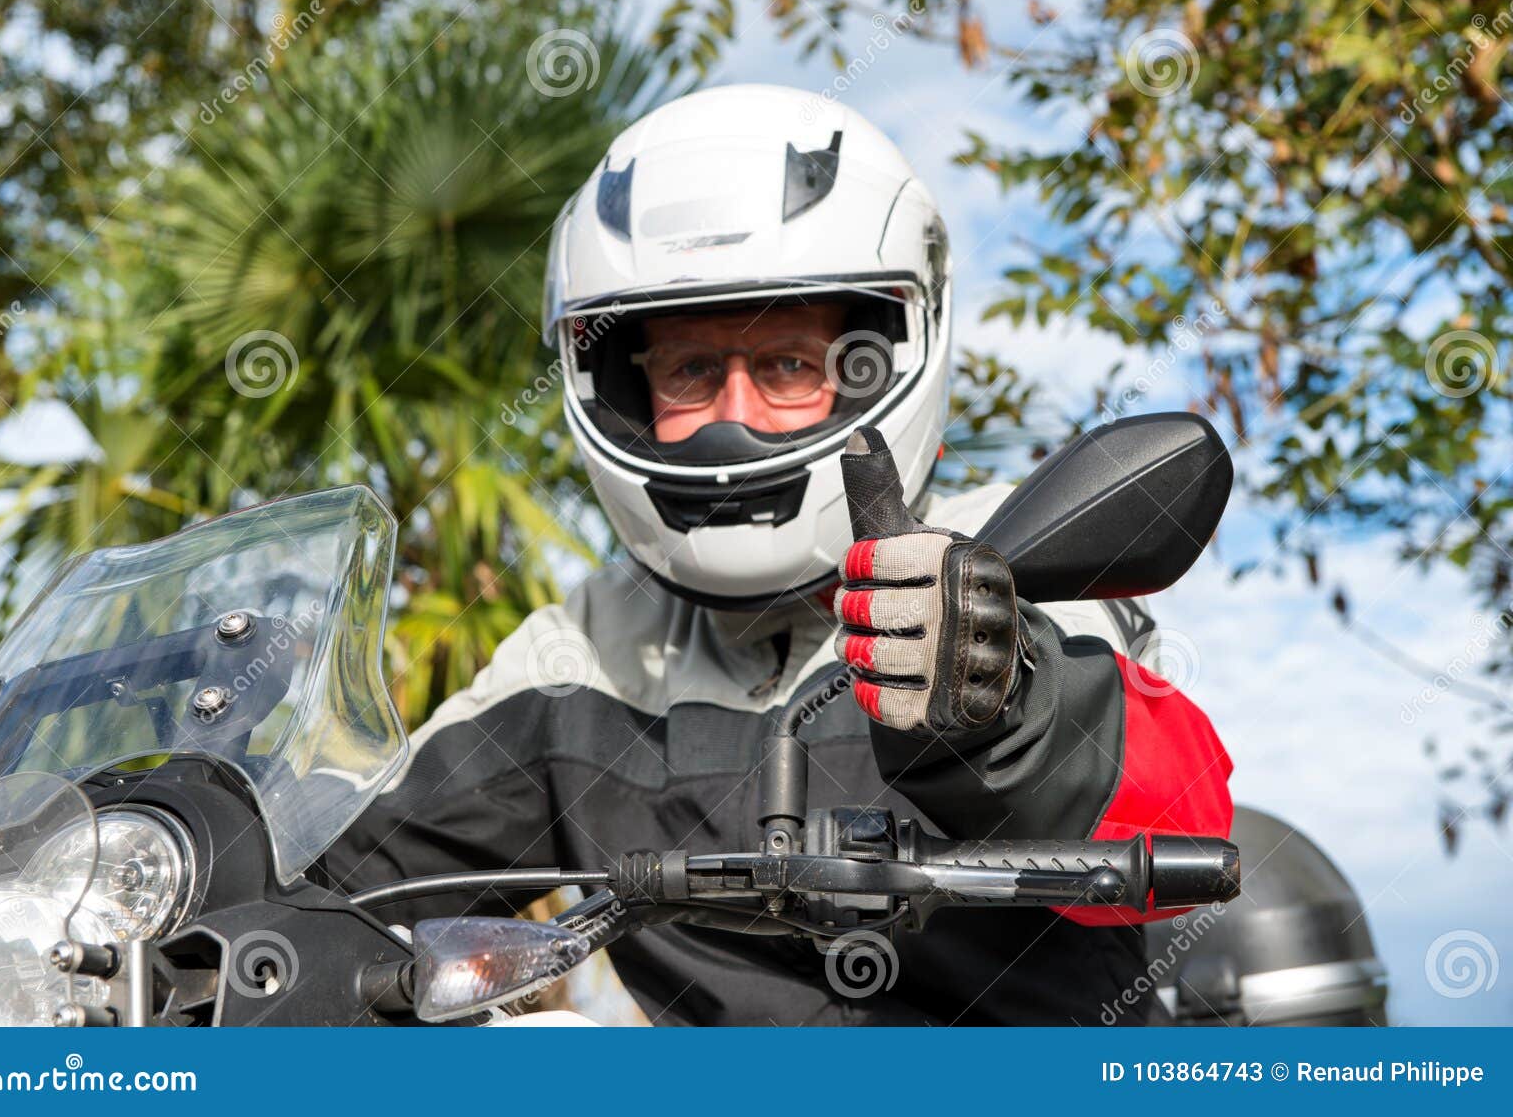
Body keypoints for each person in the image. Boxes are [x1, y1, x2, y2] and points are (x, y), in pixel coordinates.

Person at [322, 84, 1233, 1025]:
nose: (733, 420)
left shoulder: (999, 555)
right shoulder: (592, 644)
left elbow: (1184, 825)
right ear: (626, 394)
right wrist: (187, 853)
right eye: (689, 371)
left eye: (790, 365)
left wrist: (1007, 700)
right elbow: (355, 887)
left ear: (883, 355)